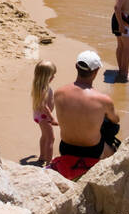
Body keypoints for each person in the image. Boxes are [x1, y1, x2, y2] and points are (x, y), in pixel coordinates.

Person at [50, 50, 121, 181]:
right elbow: (116, 120)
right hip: (92, 150)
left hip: (66, 147)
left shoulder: (59, 93)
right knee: (112, 128)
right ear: (97, 71)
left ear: (76, 66)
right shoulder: (103, 100)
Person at [31, 60, 57, 167]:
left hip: (39, 116)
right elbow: (43, 106)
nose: (54, 77)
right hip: (44, 117)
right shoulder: (44, 89)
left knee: (45, 136)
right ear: (46, 77)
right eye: (52, 75)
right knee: (51, 138)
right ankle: (49, 163)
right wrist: (52, 118)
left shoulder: (38, 85)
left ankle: (42, 156)